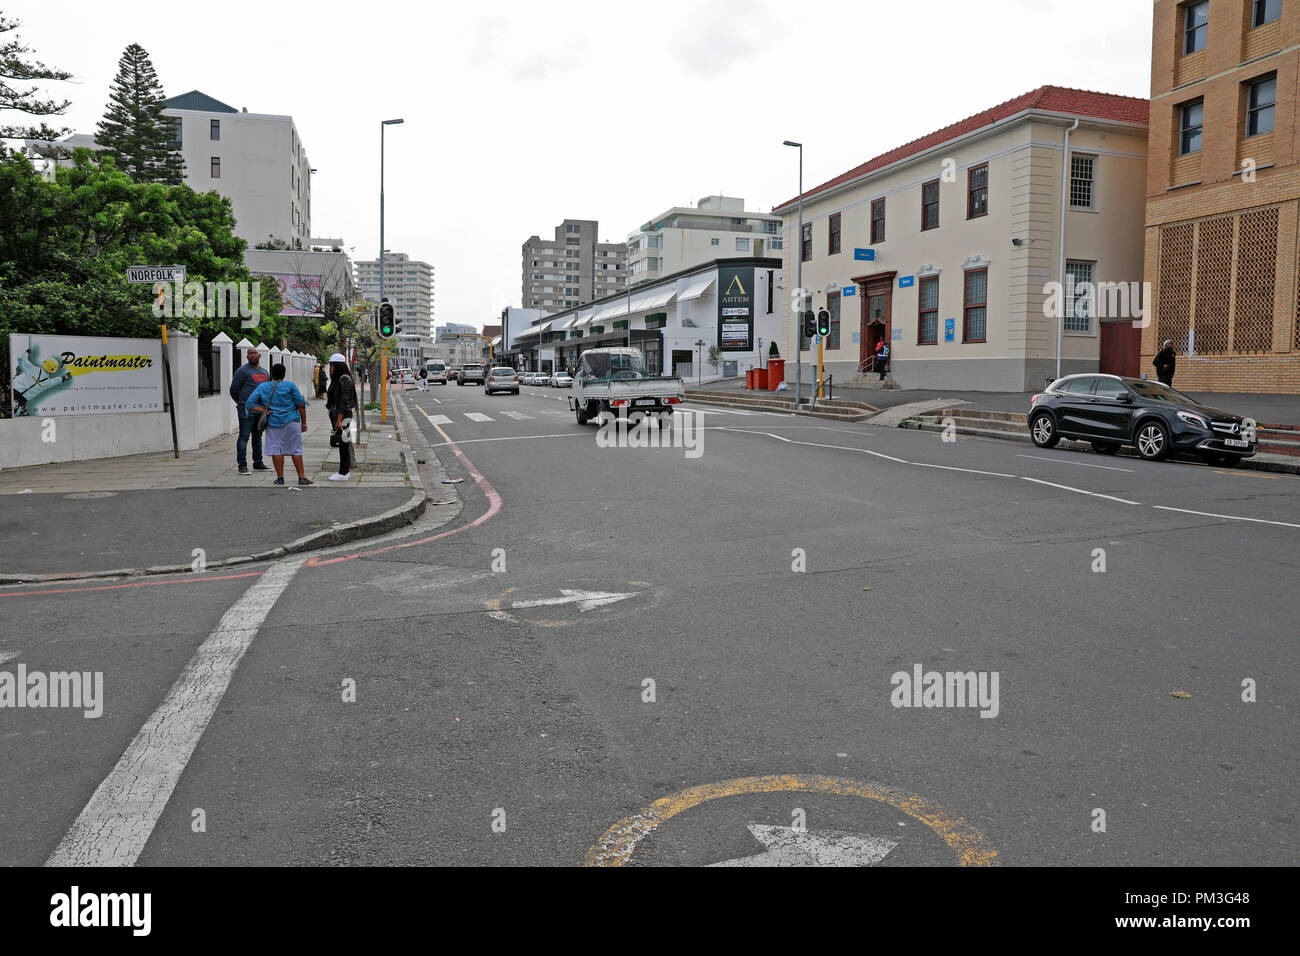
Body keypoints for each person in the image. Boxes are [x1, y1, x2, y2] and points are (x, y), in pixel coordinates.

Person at [247, 364, 312, 485]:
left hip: (273, 422)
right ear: (284, 374)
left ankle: (280, 478)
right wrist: (304, 423)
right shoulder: (290, 385)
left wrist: (264, 410)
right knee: (296, 450)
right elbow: (300, 405)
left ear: (271, 374)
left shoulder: (263, 387)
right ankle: (302, 477)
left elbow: (250, 403)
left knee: (276, 450)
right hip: (292, 420)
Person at [228, 347, 270, 475]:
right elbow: (233, 390)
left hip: (260, 410)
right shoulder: (242, 371)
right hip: (246, 409)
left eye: (254, 353)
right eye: (250, 354)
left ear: (259, 355)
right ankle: (242, 465)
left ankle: (258, 463)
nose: (252, 355)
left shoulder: (264, 372)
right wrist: (241, 403)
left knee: (257, 437)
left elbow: (267, 390)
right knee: (244, 437)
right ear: (247, 357)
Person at [326, 353, 357, 481]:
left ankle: (343, 472)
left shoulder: (344, 379)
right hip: (339, 414)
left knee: (343, 443)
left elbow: (344, 401)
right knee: (343, 443)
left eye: (332, 365)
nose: (330, 368)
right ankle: (344, 471)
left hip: (342, 415)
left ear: (337, 366)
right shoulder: (339, 378)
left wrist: (339, 419)